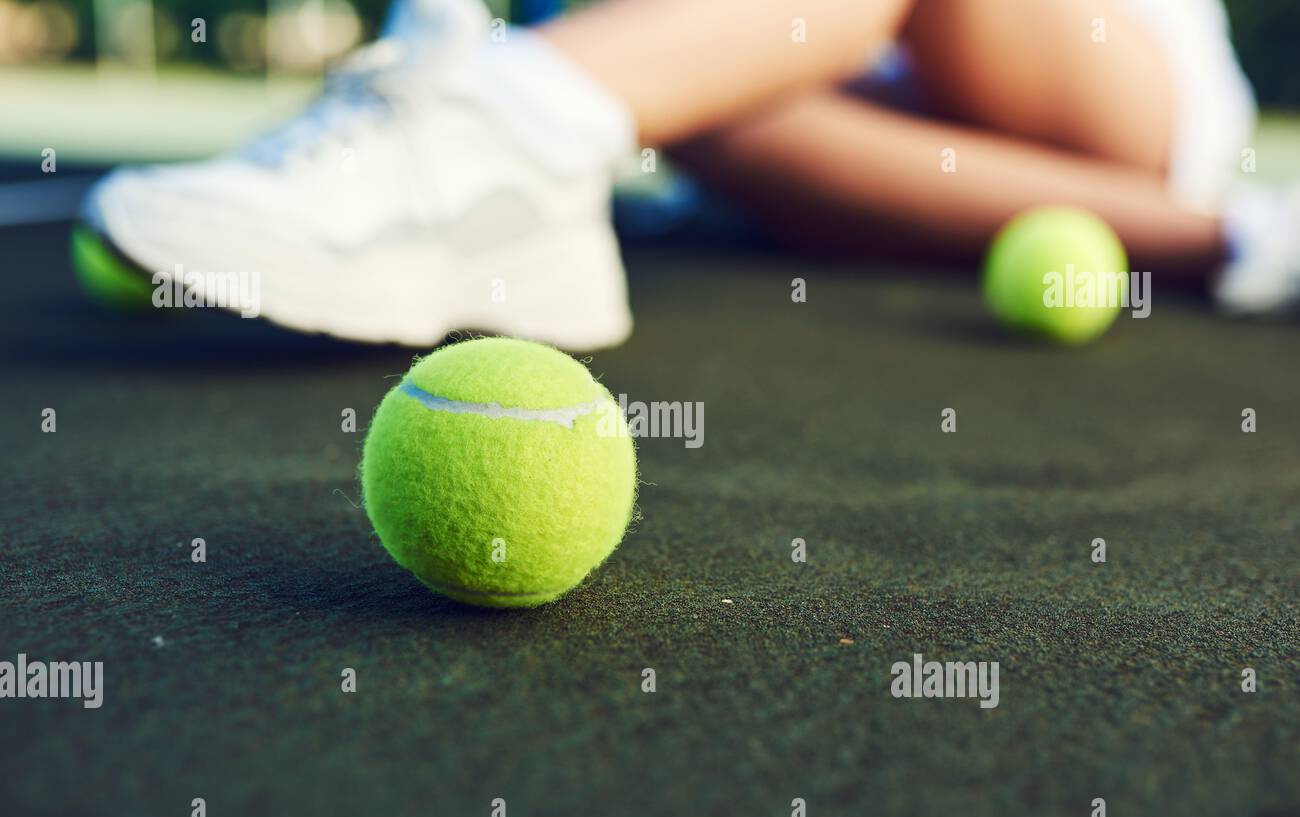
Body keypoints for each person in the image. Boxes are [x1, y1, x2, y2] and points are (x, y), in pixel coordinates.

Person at [79, 0, 1298, 351]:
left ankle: (501, 124)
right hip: (825, 121)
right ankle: (1230, 241)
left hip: (1102, 76)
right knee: (701, 110)